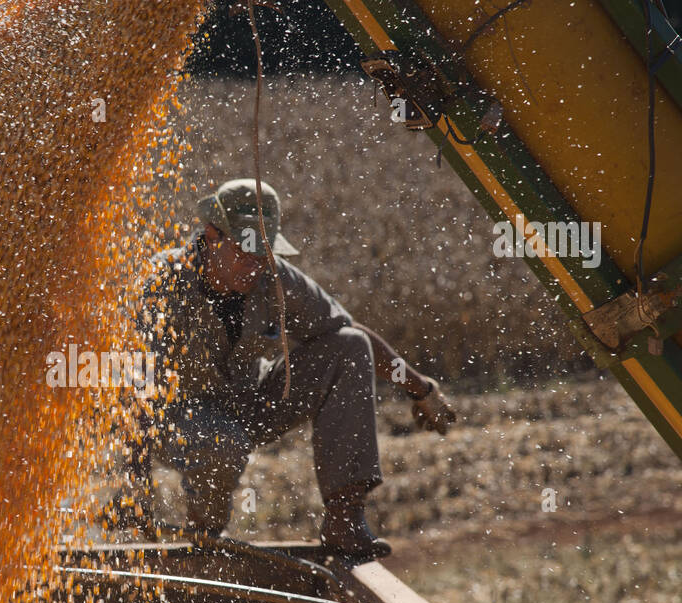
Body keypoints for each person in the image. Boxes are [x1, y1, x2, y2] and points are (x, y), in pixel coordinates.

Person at [111, 178, 456, 561]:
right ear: (212, 236)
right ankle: (205, 531)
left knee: (348, 346)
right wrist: (133, 491)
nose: (256, 265)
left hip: (244, 404)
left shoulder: (272, 277)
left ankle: (344, 519)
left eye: (264, 255)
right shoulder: (163, 283)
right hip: (173, 416)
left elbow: (348, 332)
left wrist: (419, 388)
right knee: (223, 444)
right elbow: (129, 389)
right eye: (246, 253)